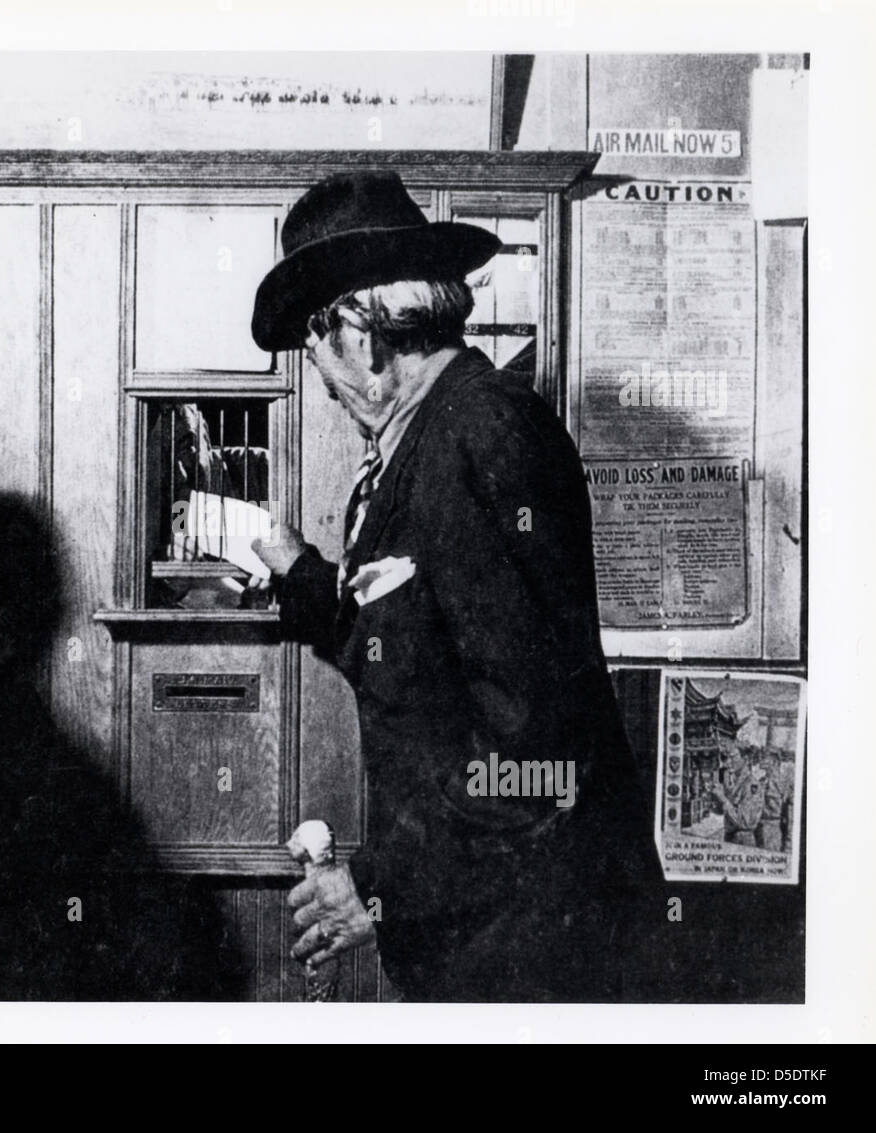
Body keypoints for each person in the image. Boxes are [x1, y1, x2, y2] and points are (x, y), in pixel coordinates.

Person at [249, 171, 662, 1002]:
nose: (319, 383)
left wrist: (375, 880)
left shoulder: (484, 435)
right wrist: (302, 577)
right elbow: (411, 639)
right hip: (476, 931)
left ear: (358, 336)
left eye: (313, 351)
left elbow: (539, 759)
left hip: (533, 948)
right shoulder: (427, 436)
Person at [712, 747, 766, 849]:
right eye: (725, 758)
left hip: (742, 839)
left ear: (744, 759)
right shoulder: (734, 782)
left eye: (733, 757)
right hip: (730, 836)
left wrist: (723, 799)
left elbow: (745, 821)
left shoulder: (751, 784)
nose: (728, 762)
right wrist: (715, 798)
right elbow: (723, 811)